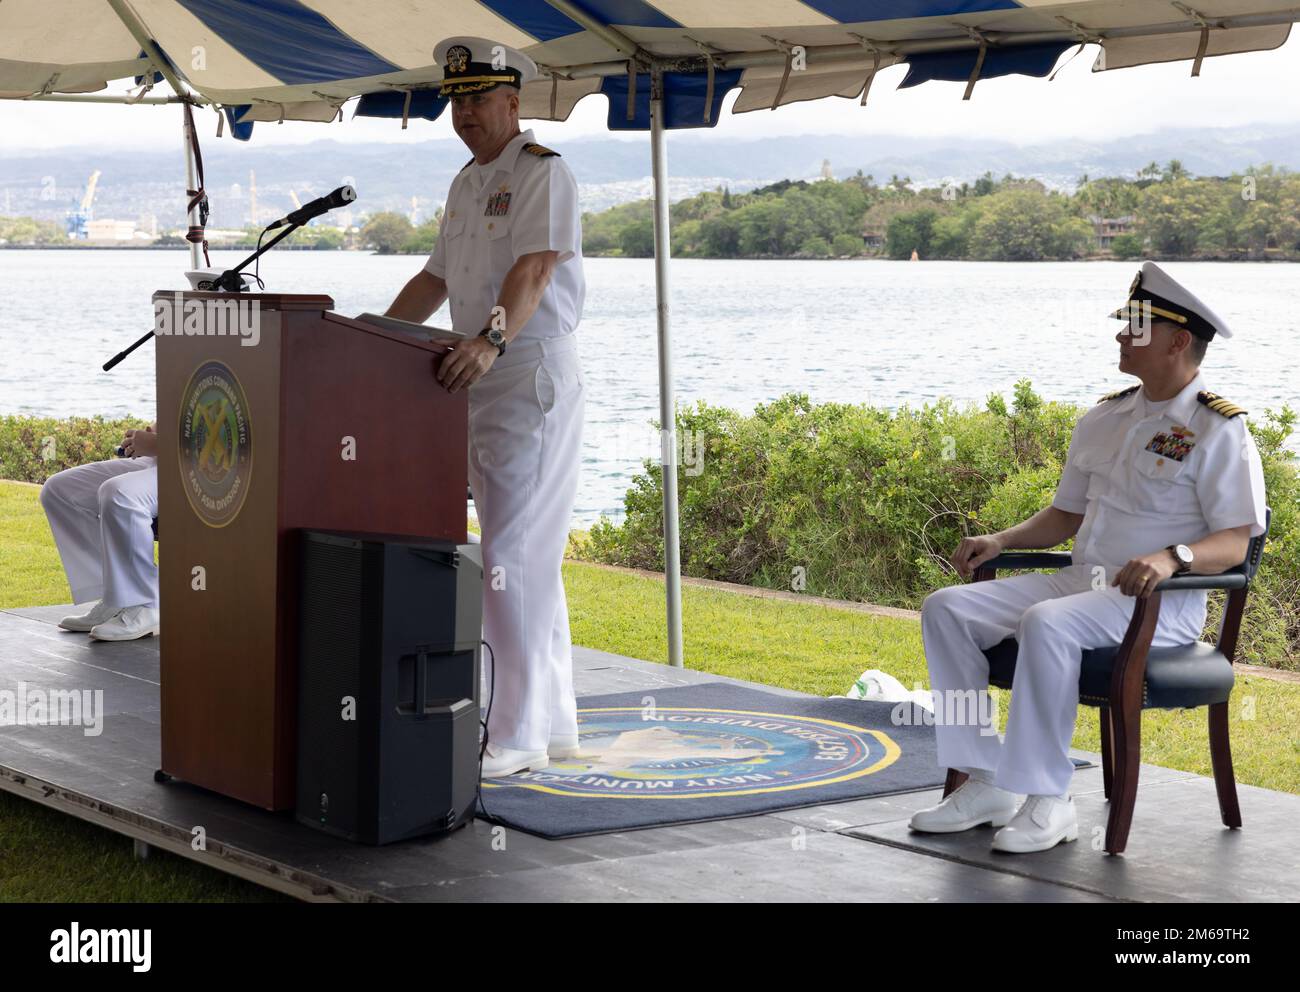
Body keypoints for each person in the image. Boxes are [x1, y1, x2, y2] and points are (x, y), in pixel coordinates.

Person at [910, 261, 1267, 853]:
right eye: (1125, 325)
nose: (1121, 337)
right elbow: (1063, 518)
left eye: (1136, 327)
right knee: (947, 608)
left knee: (1046, 622)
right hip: (1084, 582)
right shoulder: (1104, 418)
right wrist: (1000, 541)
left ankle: (1050, 801)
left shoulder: (1218, 431)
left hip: (1157, 605)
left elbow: (1235, 542)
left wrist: (1173, 557)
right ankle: (986, 780)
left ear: (1179, 341)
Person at [384, 36, 586, 778]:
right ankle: (553, 723)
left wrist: (491, 341)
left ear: (514, 101)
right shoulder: (467, 181)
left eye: (479, 99)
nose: (465, 112)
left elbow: (533, 268)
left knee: (510, 557)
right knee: (524, 554)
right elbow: (435, 277)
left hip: (523, 371)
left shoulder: (543, 173)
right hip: (473, 372)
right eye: (456, 100)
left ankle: (518, 732)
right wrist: (374, 340)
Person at [39, 423, 161, 640]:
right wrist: (153, 432)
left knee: (118, 493)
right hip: (158, 459)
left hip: (199, 468)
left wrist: (159, 443)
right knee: (59, 489)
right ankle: (116, 597)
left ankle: (146, 603)